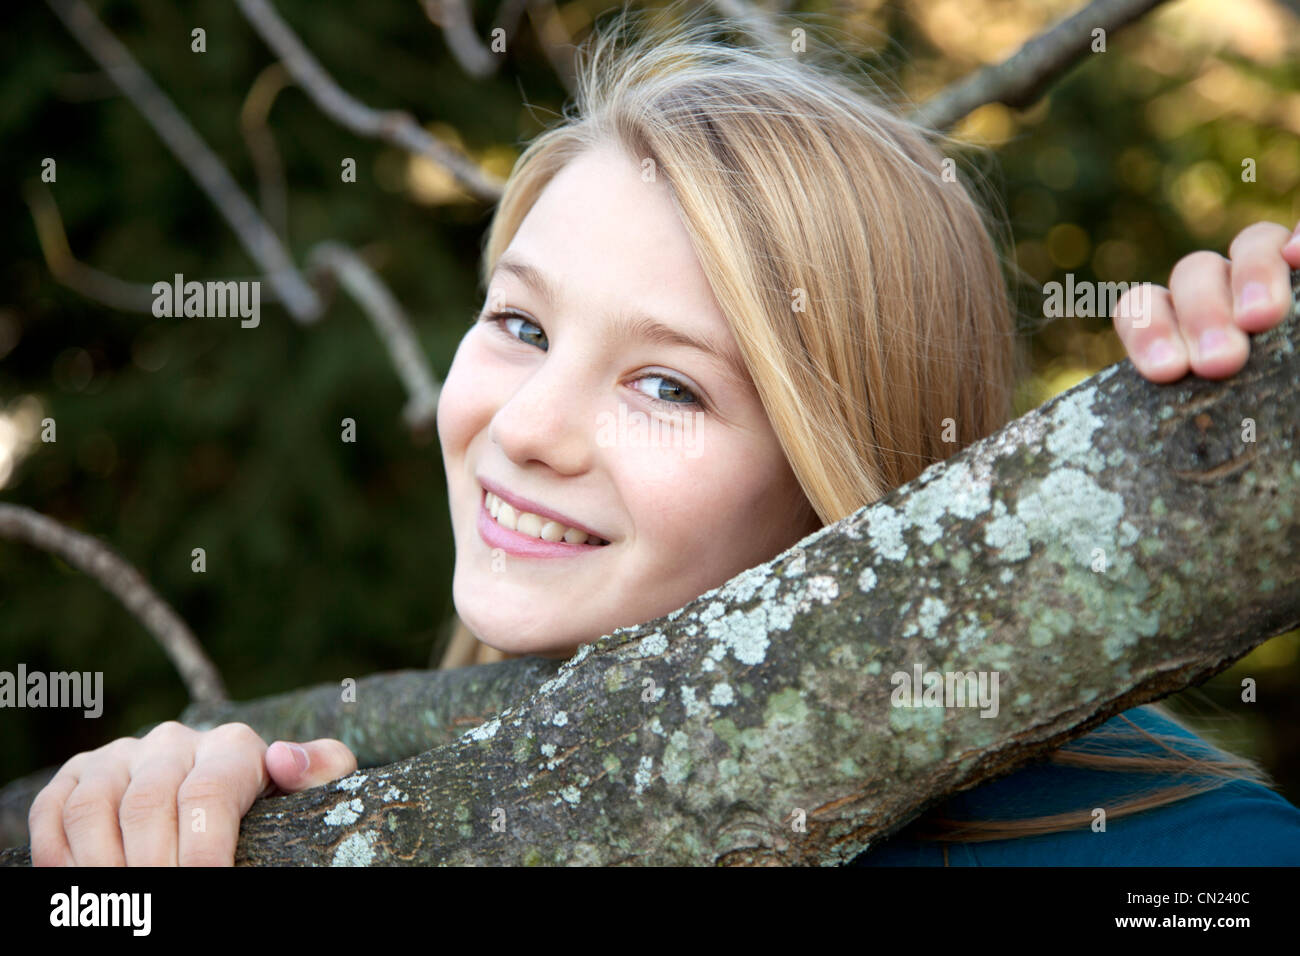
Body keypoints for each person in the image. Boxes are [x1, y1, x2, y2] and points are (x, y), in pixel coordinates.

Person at [28, 6, 1300, 866]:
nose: (525, 427)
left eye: (669, 386)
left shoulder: (1172, 850)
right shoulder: (413, 789)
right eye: (521, 325)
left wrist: (1234, 399)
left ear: (839, 468)